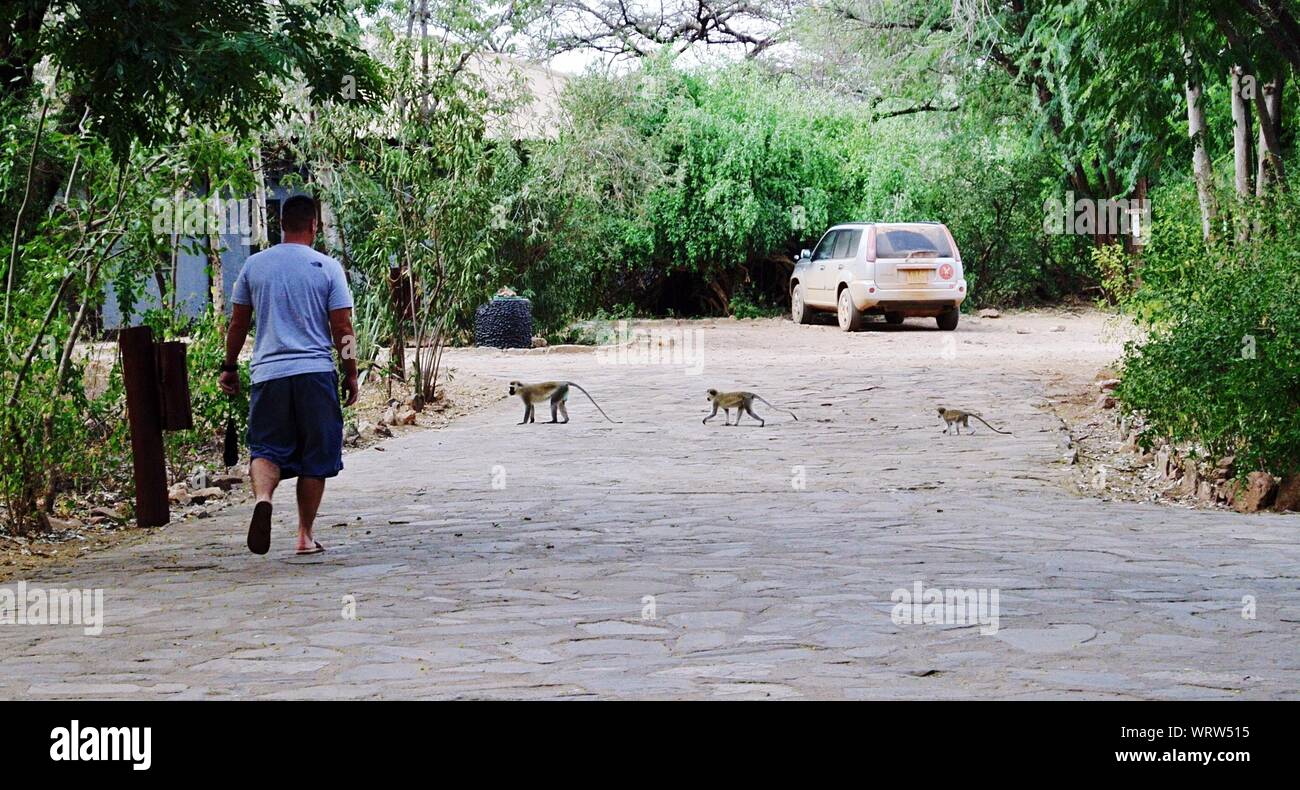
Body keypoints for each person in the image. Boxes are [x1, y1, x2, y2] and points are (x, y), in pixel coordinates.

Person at [219, 194, 358, 555]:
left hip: (268, 374)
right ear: (315, 225)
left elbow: (238, 322)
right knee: (316, 454)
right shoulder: (327, 267)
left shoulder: (254, 266)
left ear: (281, 225)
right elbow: (342, 327)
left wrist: (230, 366)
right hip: (314, 373)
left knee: (266, 447)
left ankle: (263, 498)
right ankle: (304, 535)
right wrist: (350, 373)